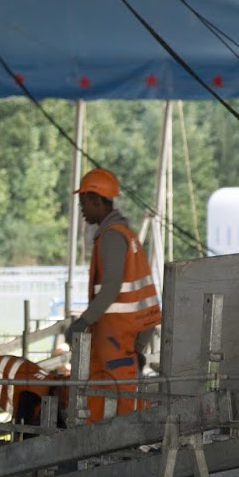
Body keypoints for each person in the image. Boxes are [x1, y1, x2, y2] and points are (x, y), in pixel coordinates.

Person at [67, 168, 160, 422]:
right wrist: (139, 346)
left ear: (97, 200)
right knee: (111, 403)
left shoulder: (111, 238)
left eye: (84, 203)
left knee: (119, 409)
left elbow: (110, 288)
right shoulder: (126, 236)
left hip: (115, 339)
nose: (82, 210)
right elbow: (146, 304)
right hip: (123, 339)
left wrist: (82, 322)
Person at [0, 353, 67, 428]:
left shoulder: (49, 384)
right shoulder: (34, 393)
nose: (63, 408)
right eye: (63, 405)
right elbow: (23, 427)